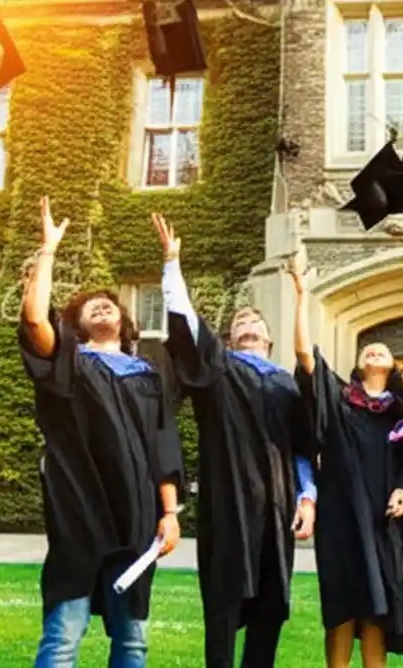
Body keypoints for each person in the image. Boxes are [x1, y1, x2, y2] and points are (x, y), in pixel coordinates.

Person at [20, 197, 184, 668]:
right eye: (91, 305)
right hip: (80, 510)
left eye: (109, 303)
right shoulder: (70, 362)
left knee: (132, 642)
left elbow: (162, 445)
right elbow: (34, 319)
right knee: (62, 640)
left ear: (123, 321)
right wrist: (47, 250)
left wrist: (170, 513)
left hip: (136, 515)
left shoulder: (148, 373)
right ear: (77, 324)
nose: (102, 306)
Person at [153, 213, 318, 668]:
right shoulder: (218, 372)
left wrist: (308, 498)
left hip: (279, 508)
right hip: (229, 506)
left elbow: (305, 445)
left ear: (268, 338)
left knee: (271, 606)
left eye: (255, 322)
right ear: (230, 338)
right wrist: (172, 266)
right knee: (224, 608)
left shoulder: (287, 383)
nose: (248, 325)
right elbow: (187, 325)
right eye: (240, 322)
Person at [287, 251, 403, 668]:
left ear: (392, 366)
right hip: (342, 518)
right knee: (342, 608)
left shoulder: (401, 416)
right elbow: (305, 358)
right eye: (368, 349)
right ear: (358, 362)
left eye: (383, 351)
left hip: (382, 523)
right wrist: (301, 295)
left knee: (377, 609)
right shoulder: (338, 400)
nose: (375, 352)